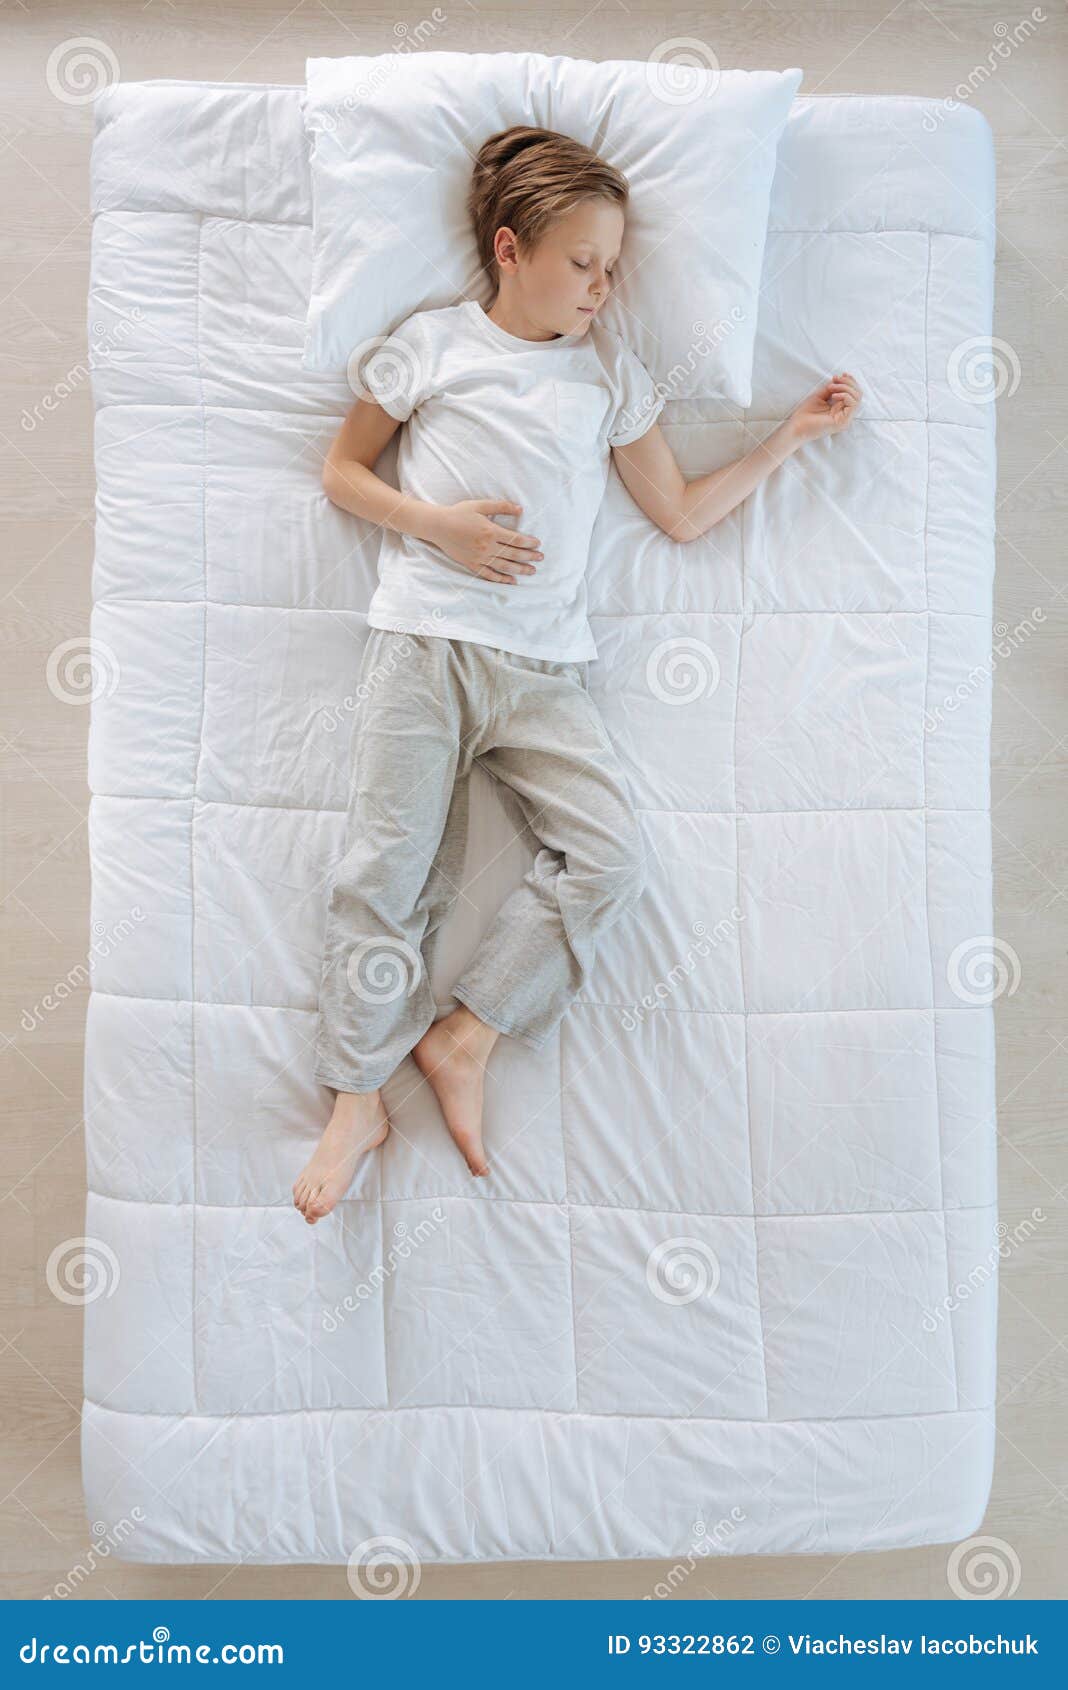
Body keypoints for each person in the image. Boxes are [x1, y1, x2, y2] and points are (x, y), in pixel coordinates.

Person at [293, 124, 861, 1222]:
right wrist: (436, 526)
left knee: (609, 857)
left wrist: (787, 439)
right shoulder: (436, 345)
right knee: (385, 873)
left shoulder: (607, 374)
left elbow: (683, 514)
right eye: (583, 263)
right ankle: (355, 1094)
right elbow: (341, 470)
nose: (603, 288)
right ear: (511, 249)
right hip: (425, 643)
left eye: (612, 268)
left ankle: (468, 1033)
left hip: (544, 670)